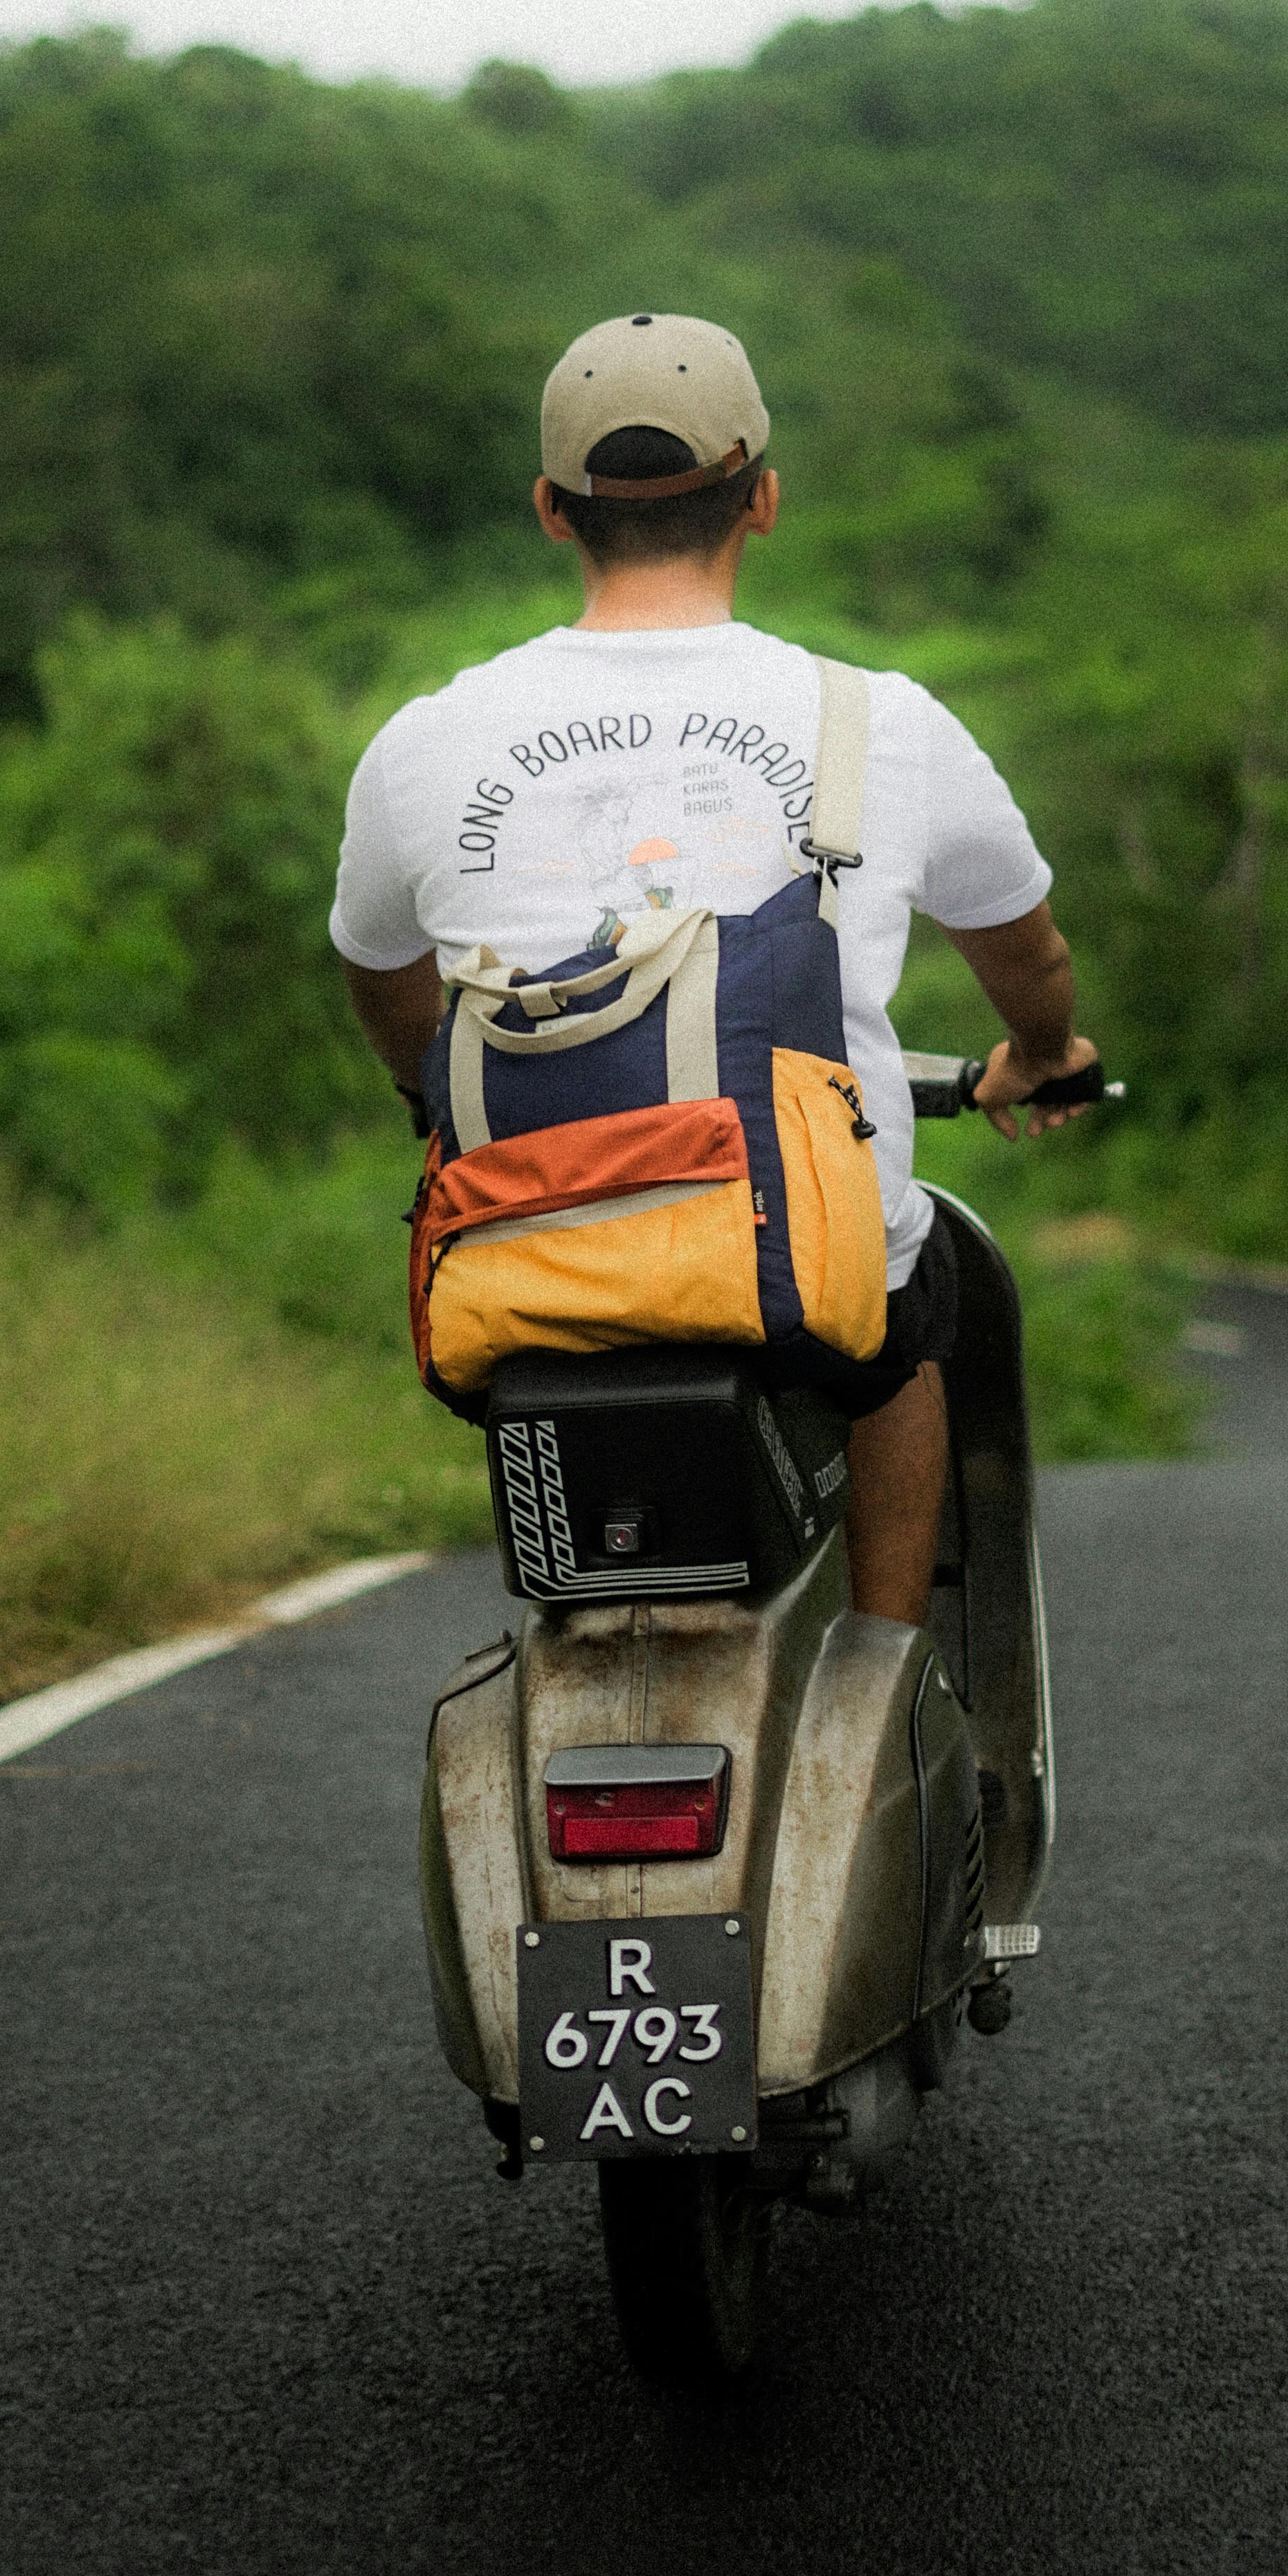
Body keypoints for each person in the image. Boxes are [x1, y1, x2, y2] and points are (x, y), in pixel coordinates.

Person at [329, 312, 1097, 1630]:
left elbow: (384, 977)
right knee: (900, 1324)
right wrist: (1041, 1050)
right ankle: (884, 1664)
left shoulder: (423, 742)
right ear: (766, 502)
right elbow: (1029, 952)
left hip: (533, 1241)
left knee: (559, 1331)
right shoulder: (881, 724)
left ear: (551, 511)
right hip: (799, 1249)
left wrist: (428, 1097)